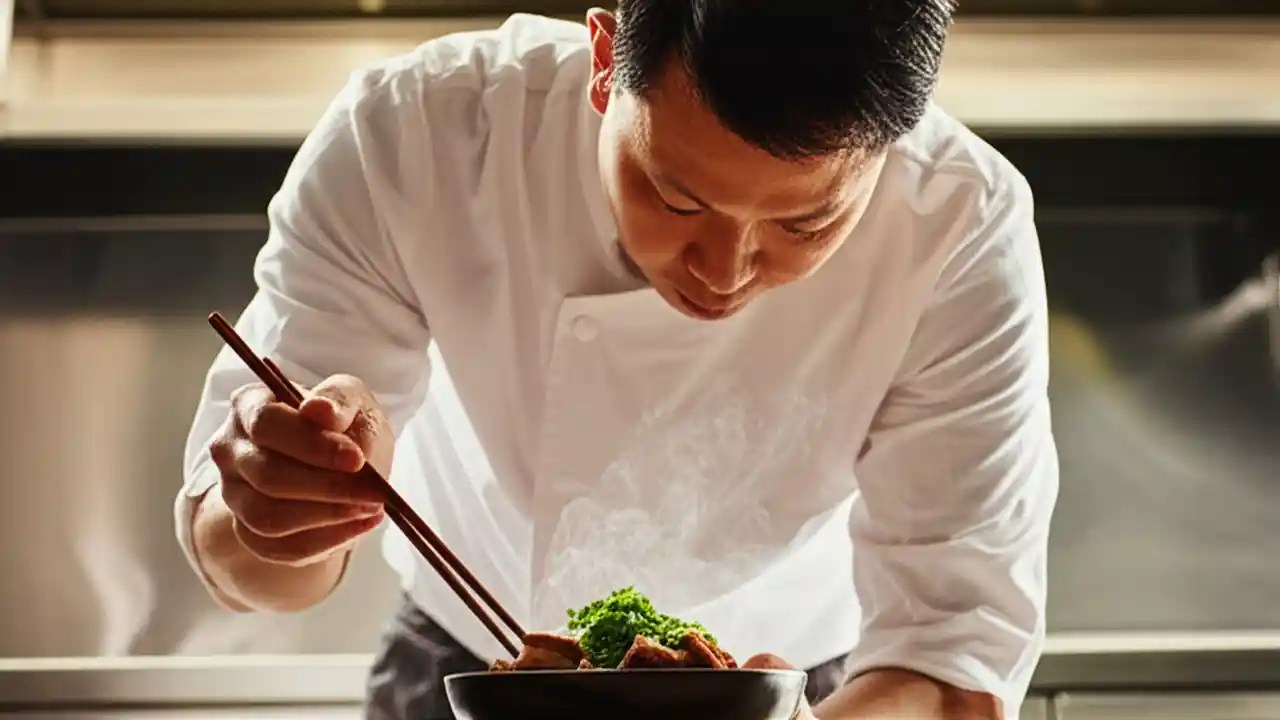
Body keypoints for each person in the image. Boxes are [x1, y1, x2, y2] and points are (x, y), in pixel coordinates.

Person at [178, 2, 1058, 719]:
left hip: (802, 697)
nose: (724, 272)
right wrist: (281, 507)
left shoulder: (960, 229)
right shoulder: (418, 133)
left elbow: (953, 662)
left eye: (805, 223)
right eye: (677, 198)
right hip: (474, 669)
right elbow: (242, 568)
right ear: (605, 62)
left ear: (888, 146)